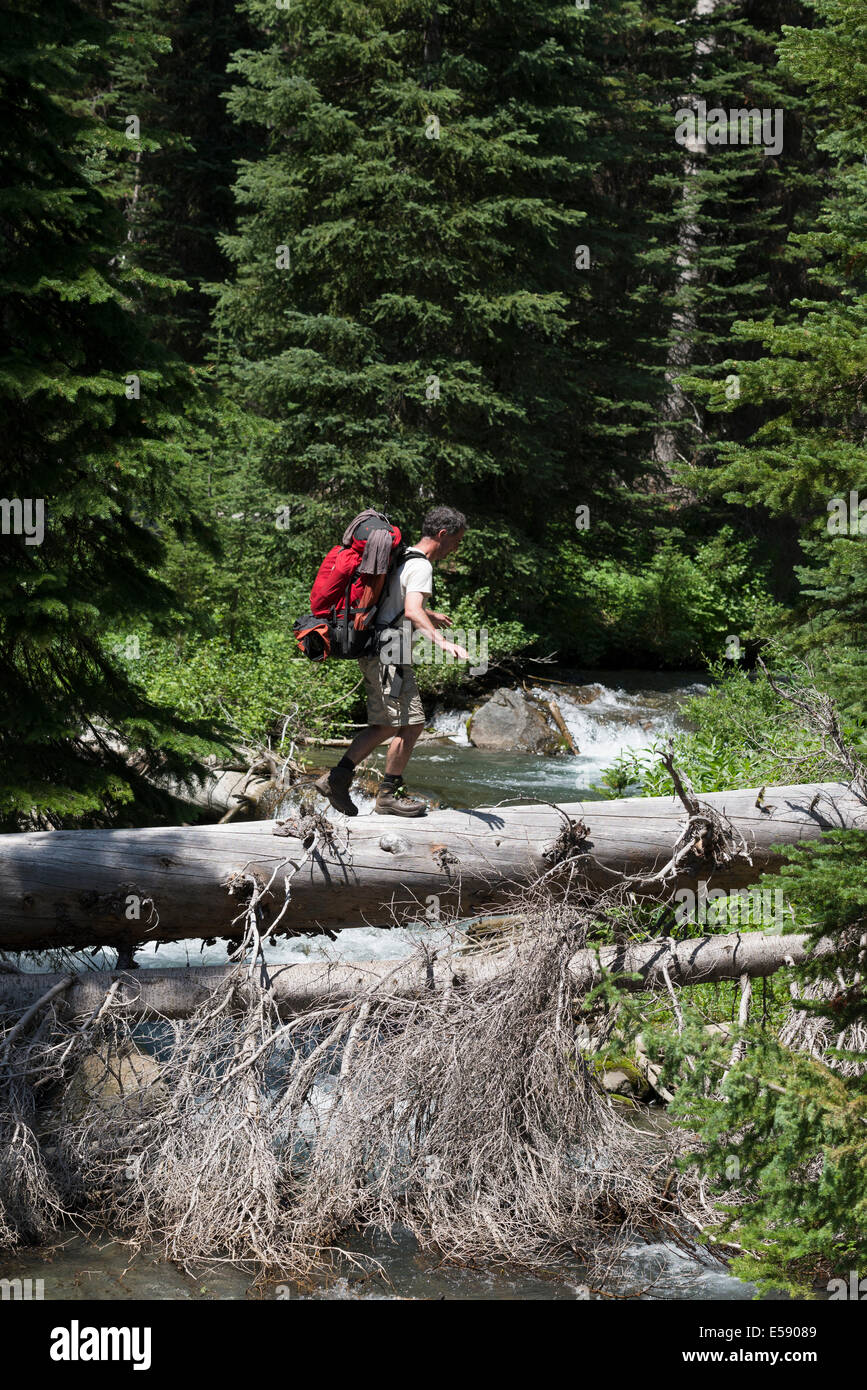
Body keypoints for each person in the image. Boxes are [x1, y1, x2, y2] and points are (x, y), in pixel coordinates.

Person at [314, 505, 469, 817]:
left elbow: (393, 601)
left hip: (374, 646)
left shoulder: (403, 555)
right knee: (411, 723)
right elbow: (411, 609)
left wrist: (431, 615)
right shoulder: (422, 566)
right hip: (392, 651)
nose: (456, 548)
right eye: (457, 541)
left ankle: (337, 778)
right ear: (442, 535)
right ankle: (389, 794)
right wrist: (443, 642)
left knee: (385, 724)